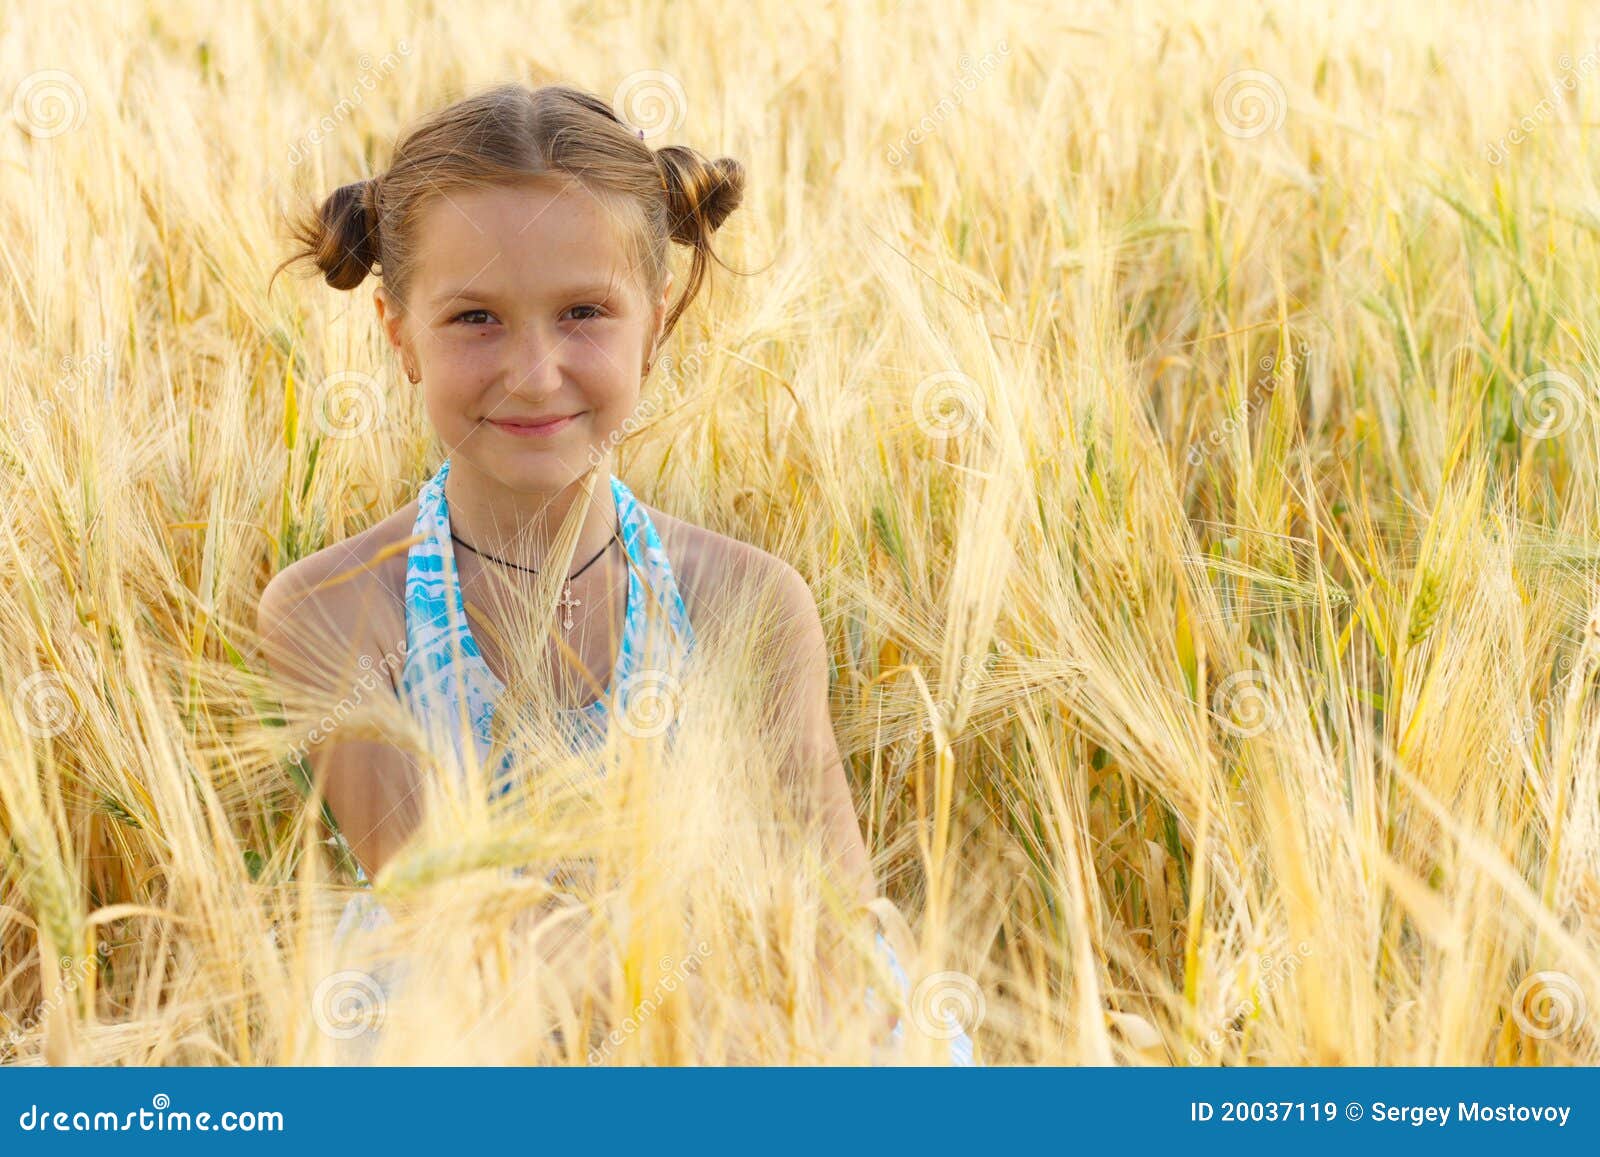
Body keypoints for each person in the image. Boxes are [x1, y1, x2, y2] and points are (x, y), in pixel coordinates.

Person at [257, 81, 973, 1065]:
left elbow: (834, 904)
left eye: (583, 311)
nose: (536, 369)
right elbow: (450, 913)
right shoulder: (336, 608)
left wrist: (774, 1024)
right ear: (397, 332)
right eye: (474, 318)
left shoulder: (747, 600)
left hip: (730, 1019)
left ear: (657, 319)